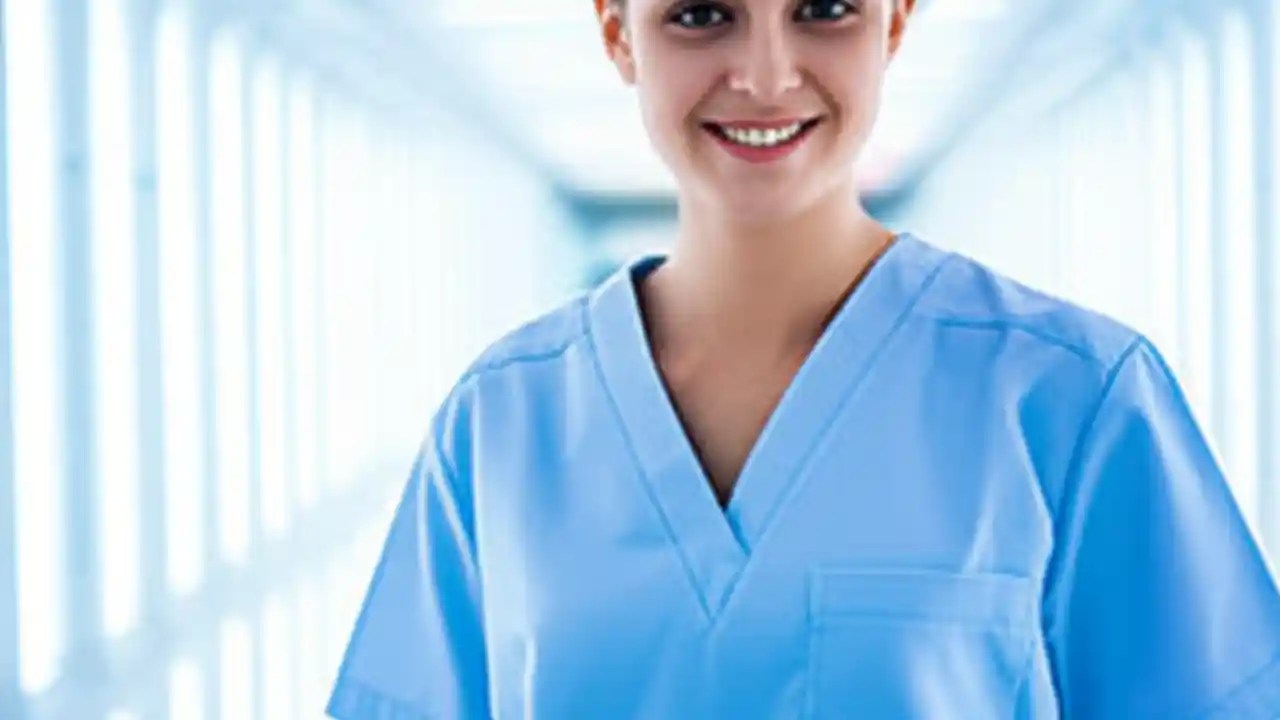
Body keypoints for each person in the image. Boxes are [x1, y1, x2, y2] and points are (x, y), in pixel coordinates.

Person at [326, 0, 1280, 716]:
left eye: (824, 10)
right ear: (616, 32)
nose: (767, 75)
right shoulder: (501, 424)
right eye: (702, 15)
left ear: (898, 19)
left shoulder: (1072, 400)